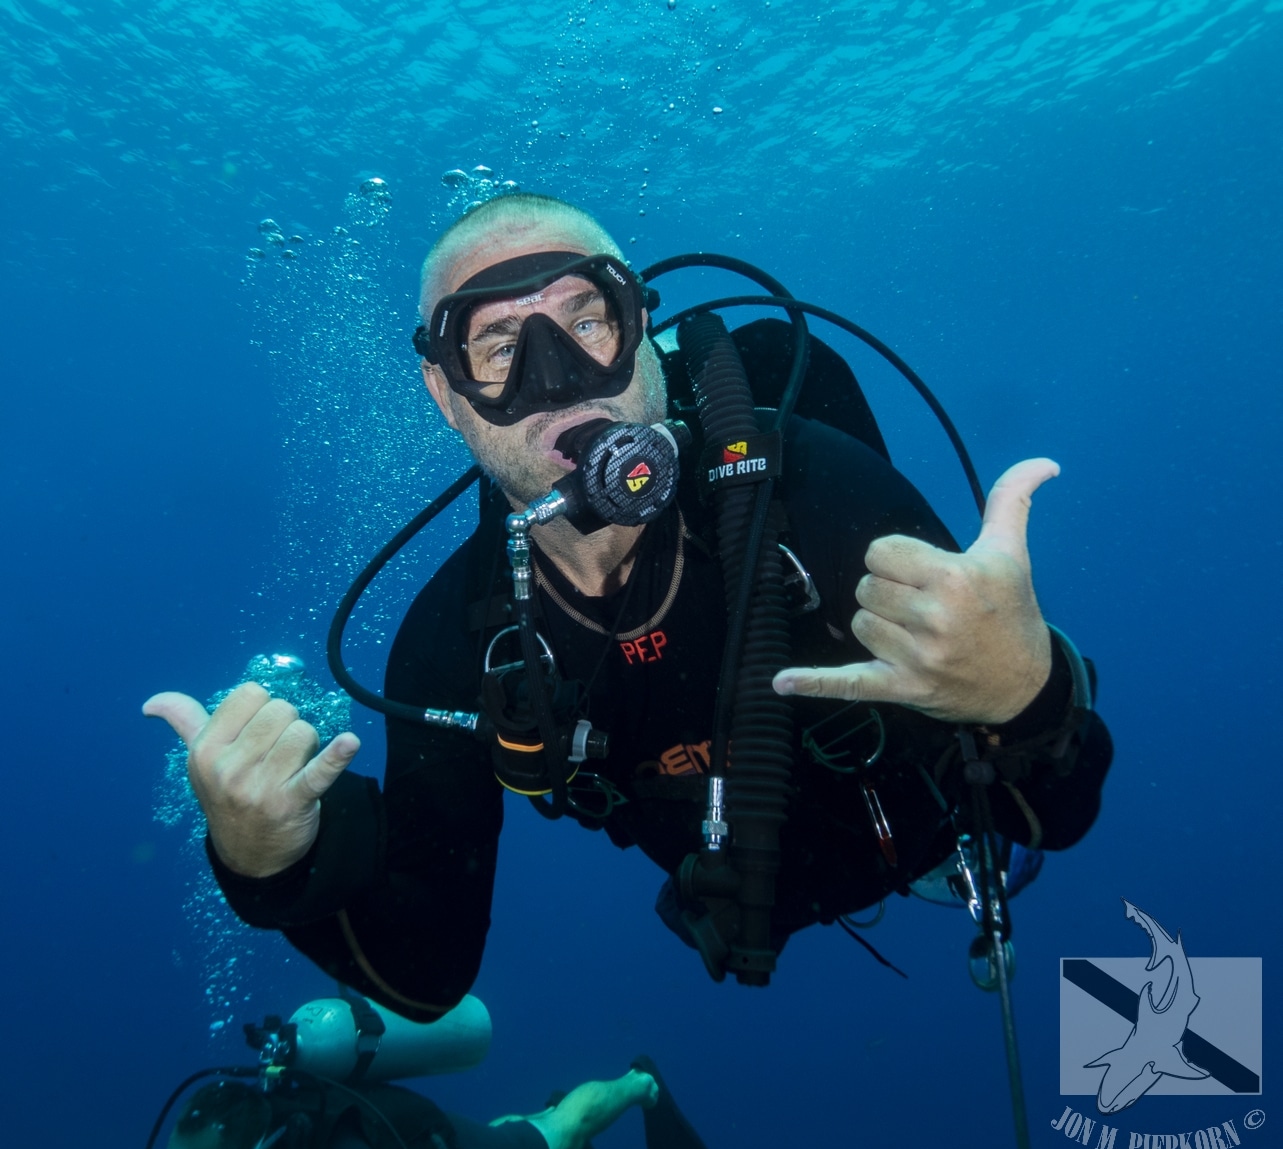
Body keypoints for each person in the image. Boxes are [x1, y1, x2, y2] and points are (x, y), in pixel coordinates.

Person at [145, 192, 1113, 1017]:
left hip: (928, 829)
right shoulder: (455, 646)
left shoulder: (814, 493)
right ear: (446, 396)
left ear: (642, 331)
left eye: (586, 318)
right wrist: (270, 865)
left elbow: (1054, 817)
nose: (556, 377)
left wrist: (1026, 688)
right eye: (495, 346)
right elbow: (428, 971)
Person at [146, 1056, 720, 1149]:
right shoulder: (264, 1142)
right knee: (500, 1141)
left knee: (556, 1137)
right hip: (411, 1144)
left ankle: (636, 1084)